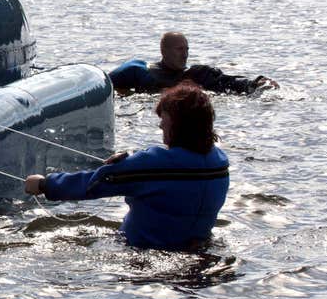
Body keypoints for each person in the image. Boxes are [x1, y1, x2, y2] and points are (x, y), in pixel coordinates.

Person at [24, 81, 229, 250]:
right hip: (198, 249)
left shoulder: (153, 163)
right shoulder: (219, 162)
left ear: (180, 125)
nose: (160, 125)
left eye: (164, 120)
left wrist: (45, 185)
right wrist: (128, 164)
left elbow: (94, 184)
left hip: (142, 253)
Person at [109, 31, 277, 95]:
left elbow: (228, 82)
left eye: (187, 49)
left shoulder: (197, 73)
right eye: (179, 49)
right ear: (164, 51)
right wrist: (126, 93)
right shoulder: (138, 70)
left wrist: (256, 84)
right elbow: (104, 85)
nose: (185, 55)